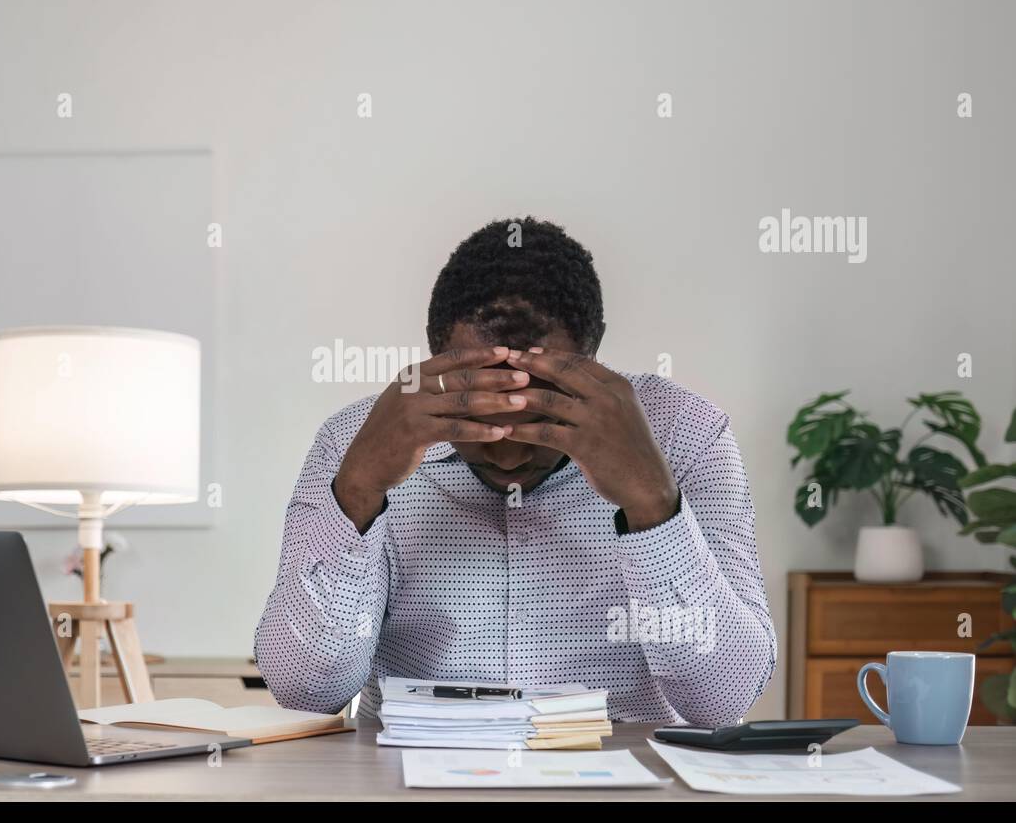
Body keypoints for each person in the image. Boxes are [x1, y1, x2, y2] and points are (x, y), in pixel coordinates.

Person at [255, 217, 776, 725]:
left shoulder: (687, 434)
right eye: (476, 416)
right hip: (410, 778)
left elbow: (721, 701)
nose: (507, 458)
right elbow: (305, 690)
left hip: (622, 779)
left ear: (593, 356)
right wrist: (359, 489)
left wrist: (653, 504)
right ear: (436, 354)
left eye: (541, 417)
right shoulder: (354, 440)